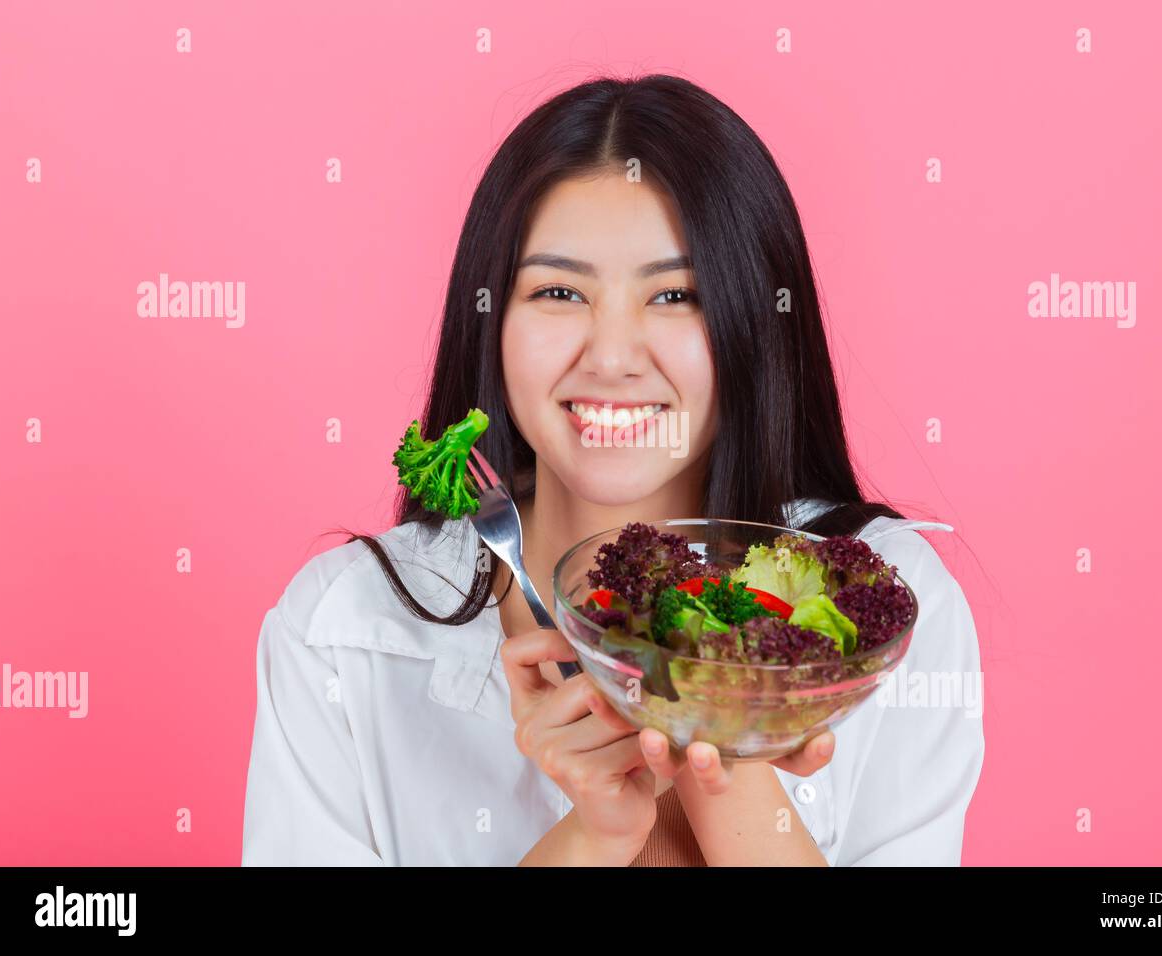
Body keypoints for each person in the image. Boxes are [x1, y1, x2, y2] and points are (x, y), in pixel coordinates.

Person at [240, 74, 984, 866]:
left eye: (676, 296)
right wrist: (595, 837)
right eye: (560, 291)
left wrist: (714, 736)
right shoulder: (344, 635)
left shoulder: (890, 608)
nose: (614, 357)